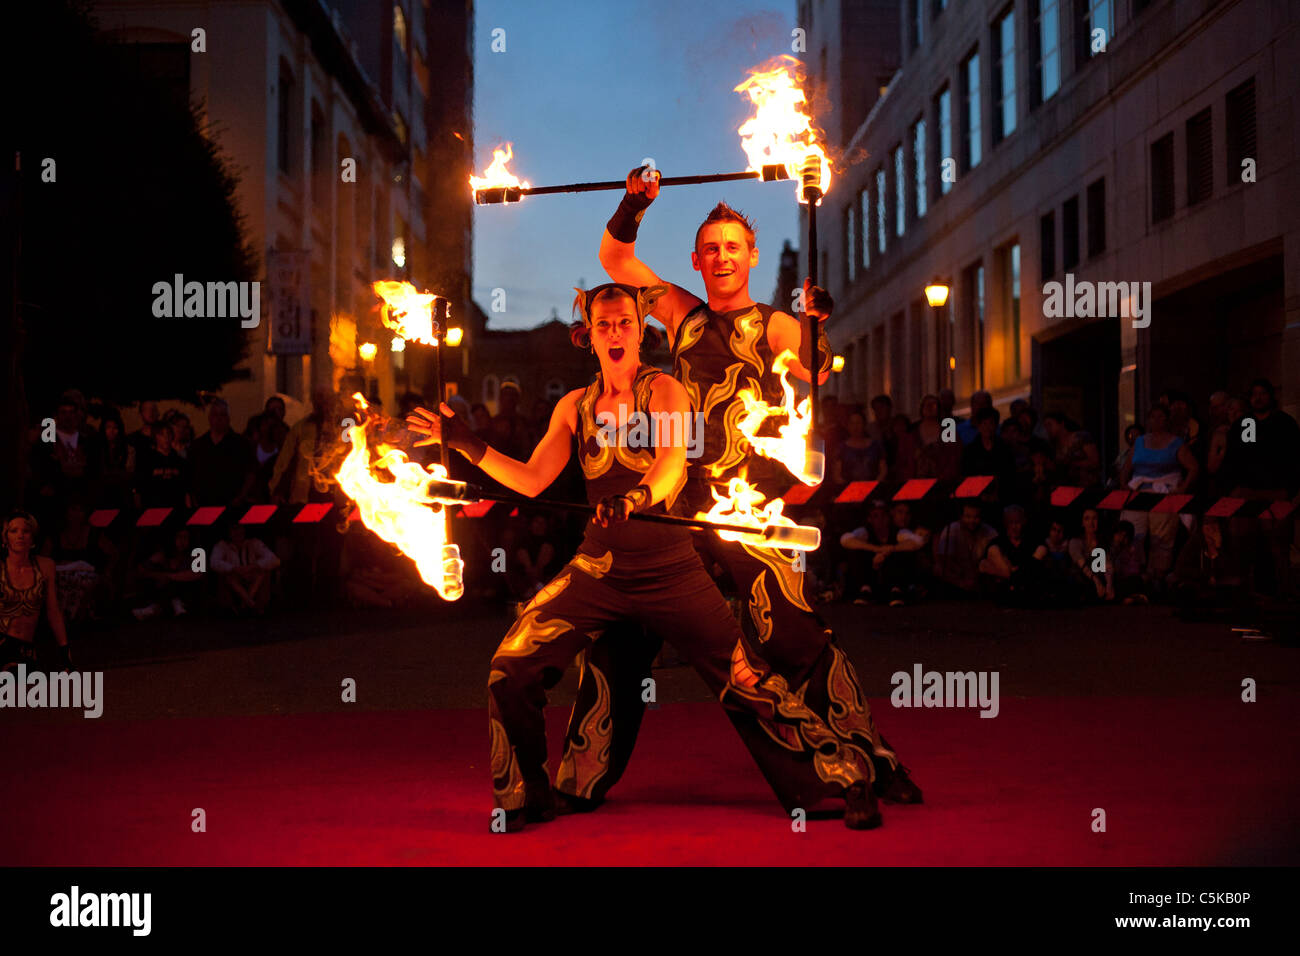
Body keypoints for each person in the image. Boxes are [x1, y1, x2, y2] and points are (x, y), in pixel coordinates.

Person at [408, 283, 880, 830]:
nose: (615, 333)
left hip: (670, 571)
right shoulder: (573, 406)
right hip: (600, 570)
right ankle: (524, 795)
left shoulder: (665, 391)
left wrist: (634, 497)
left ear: (641, 332)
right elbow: (533, 480)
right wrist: (467, 443)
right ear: (587, 336)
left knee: (746, 680)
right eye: (604, 325)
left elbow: (672, 467)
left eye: (625, 323)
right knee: (509, 665)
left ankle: (845, 775)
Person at [596, 166, 921, 807]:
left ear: (751, 257)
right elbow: (615, 259)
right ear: (696, 260)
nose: (721, 256)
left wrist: (816, 322)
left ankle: (871, 757)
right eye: (710, 248)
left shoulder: (772, 324)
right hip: (679, 501)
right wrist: (633, 204)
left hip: (746, 506)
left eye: (733, 247)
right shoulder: (680, 314)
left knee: (793, 635)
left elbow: (817, 365)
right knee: (624, 629)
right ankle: (582, 779)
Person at [1120, 405, 1198, 580]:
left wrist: (1182, 489)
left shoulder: (1176, 443)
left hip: (1163, 495)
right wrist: (1124, 486)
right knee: (1133, 535)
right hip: (1138, 494)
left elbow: (1193, 467)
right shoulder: (1140, 441)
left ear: (1167, 419)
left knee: (1162, 539)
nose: (1156, 420)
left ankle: (1158, 578)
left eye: (1160, 416)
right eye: (1153, 416)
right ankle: (1134, 574)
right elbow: (1126, 468)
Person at [1, 511, 72, 672]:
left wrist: (65, 651)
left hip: (27, 646)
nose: (20, 536)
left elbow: (53, 610)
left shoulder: (45, 566)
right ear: (5, 538)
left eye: (25, 531)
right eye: (14, 531)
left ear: (32, 537)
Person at [211, 522, 281, 616]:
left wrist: (252, 567)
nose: (238, 532)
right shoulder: (222, 545)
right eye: (234, 529)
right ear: (229, 532)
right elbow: (214, 562)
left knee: (262, 573)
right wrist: (234, 569)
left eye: (240, 529)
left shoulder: (254, 543)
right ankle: (250, 604)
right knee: (227, 576)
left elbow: (274, 560)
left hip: (252, 579)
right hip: (234, 581)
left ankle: (245, 604)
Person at [980, 505, 1041, 605]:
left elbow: (1038, 560)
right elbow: (983, 566)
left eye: (1017, 523)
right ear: (1005, 524)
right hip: (1003, 591)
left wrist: (1016, 571)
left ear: (1023, 523)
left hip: (1027, 590)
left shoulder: (1032, 542)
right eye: (1010, 523)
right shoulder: (998, 542)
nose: (1014, 527)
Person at [933, 502, 997, 597]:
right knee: (939, 568)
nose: (972, 521)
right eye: (968, 516)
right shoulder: (952, 529)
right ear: (961, 517)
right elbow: (945, 558)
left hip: (979, 574)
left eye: (976, 517)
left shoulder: (988, 531)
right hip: (958, 574)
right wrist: (962, 576)